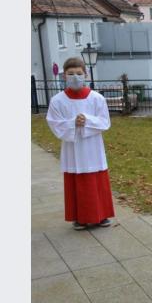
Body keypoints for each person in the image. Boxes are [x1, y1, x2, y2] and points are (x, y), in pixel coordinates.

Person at [46, 57, 114, 231]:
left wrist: (87, 120)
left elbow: (105, 122)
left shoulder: (97, 98)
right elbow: (54, 122)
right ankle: (80, 218)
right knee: (76, 180)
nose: (75, 77)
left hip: (92, 146)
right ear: (64, 76)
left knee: (97, 179)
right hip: (73, 148)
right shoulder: (58, 100)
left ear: (86, 74)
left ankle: (101, 215)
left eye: (78, 73)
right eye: (70, 74)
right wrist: (72, 123)